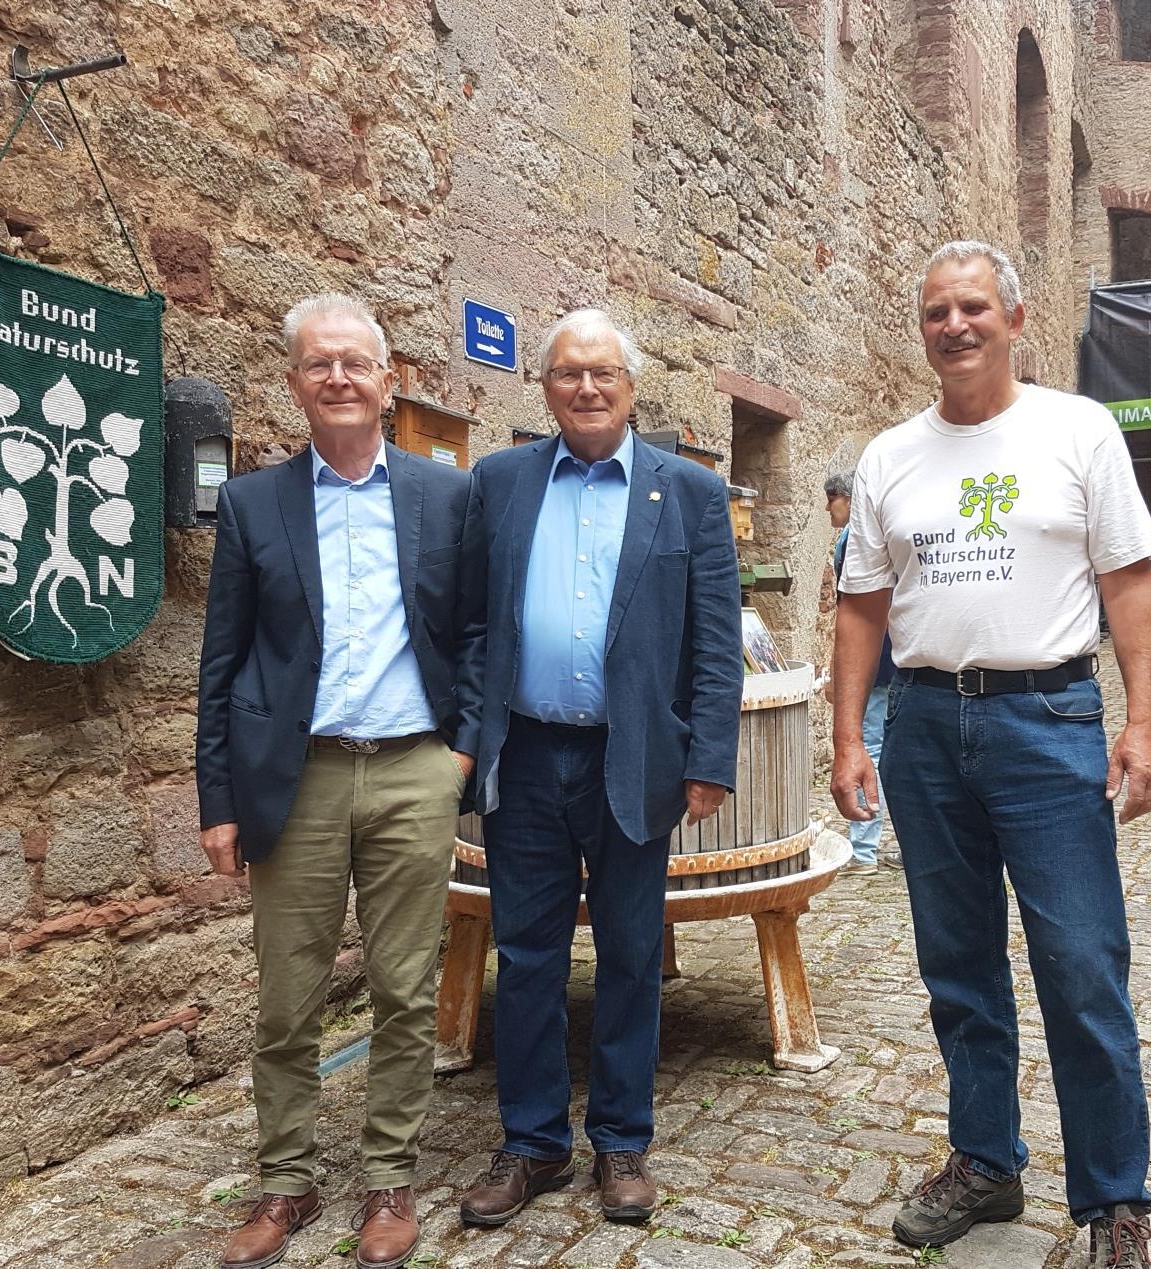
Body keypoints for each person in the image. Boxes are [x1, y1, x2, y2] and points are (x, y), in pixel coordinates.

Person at [832, 240, 1151, 1269]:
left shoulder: (1077, 430)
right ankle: (986, 1161)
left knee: (1081, 964)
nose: (955, 325)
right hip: (927, 725)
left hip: (1045, 720)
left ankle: (1114, 1198)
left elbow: (1130, 583)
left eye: (974, 307)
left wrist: (1144, 724)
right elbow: (859, 607)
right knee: (958, 963)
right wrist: (848, 733)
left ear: (1015, 320)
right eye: (937, 311)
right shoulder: (891, 455)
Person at [196, 293, 477, 1269]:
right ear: (295, 384)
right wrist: (218, 801)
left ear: (389, 381)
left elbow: (476, 635)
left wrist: (464, 754)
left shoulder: (445, 498)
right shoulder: (251, 505)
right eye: (320, 364)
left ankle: (389, 1180)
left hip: (412, 770)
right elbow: (222, 663)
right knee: (287, 1001)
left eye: (357, 363)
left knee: (404, 992)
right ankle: (285, 1181)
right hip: (298, 778)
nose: (340, 379)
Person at [456, 308, 742, 1228]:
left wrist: (710, 759)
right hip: (527, 754)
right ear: (544, 388)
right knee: (528, 953)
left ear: (630, 387)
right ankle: (533, 1142)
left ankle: (622, 1139)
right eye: (568, 374)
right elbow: (469, 622)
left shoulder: (686, 494)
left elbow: (712, 644)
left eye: (603, 374)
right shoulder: (497, 481)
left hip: (635, 757)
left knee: (629, 955)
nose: (586, 388)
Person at [826, 470, 898, 871]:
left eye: (832, 498)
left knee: (867, 748)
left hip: (874, 665)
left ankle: (864, 849)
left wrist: (842, 673)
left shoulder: (855, 538)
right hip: (895, 662)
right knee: (893, 749)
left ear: (851, 500)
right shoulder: (879, 533)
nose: (827, 507)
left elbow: (851, 612)